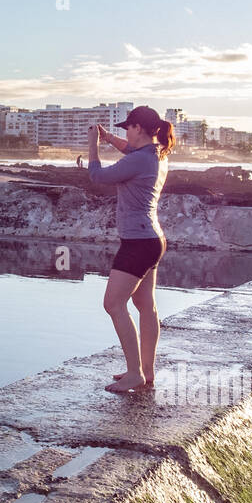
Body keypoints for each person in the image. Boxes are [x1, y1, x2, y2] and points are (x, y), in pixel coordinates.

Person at [86, 105, 175, 394]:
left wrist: (93, 146)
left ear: (138, 128)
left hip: (137, 243)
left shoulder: (141, 159)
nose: (126, 132)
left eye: (128, 127)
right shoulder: (157, 155)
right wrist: (110, 137)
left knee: (113, 304)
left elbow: (98, 176)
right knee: (145, 305)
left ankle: (135, 374)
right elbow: (130, 151)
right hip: (152, 240)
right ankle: (146, 370)